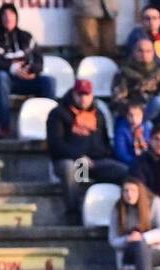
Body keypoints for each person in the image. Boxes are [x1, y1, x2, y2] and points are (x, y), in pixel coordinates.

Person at [46, 78, 129, 216]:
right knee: (70, 168)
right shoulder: (58, 114)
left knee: (124, 171)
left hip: (96, 161)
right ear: (73, 94)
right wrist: (79, 156)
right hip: (73, 161)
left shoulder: (98, 114)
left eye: (87, 95)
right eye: (80, 94)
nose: (83, 98)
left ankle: (122, 215)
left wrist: (102, 155)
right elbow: (56, 145)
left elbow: (104, 142)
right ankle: (73, 213)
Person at [0, 3, 54, 139]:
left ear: (16, 17)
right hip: (0, 83)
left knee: (48, 81)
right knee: (1, 77)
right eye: (4, 15)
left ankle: (49, 126)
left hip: (24, 80)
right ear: (0, 18)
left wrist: (31, 71)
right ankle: (5, 128)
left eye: (11, 15)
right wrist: (11, 68)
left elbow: (39, 61)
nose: (8, 18)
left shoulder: (26, 37)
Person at [113, 36, 160, 125]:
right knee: (147, 124)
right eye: (140, 51)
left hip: (155, 110)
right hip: (132, 111)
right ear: (134, 52)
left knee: (158, 101)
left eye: (148, 51)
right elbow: (118, 98)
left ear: (153, 53)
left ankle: (141, 126)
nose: (144, 54)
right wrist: (136, 109)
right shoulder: (124, 71)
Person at [112, 99, 152, 167]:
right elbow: (121, 153)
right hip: (130, 161)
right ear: (126, 115)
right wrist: (136, 163)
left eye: (137, 115)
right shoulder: (121, 130)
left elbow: (150, 144)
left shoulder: (148, 126)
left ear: (143, 115)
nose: (134, 118)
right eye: (130, 115)